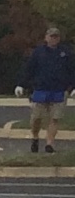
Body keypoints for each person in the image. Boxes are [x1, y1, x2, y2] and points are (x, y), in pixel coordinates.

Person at [18, 24, 73, 153]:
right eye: (51, 36)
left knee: (55, 118)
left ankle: (50, 144)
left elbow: (72, 71)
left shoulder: (66, 53)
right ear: (46, 37)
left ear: (59, 38)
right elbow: (29, 69)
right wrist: (21, 84)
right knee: (36, 118)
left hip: (59, 90)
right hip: (40, 89)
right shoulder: (38, 52)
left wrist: (73, 87)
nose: (54, 39)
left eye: (56, 37)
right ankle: (35, 137)